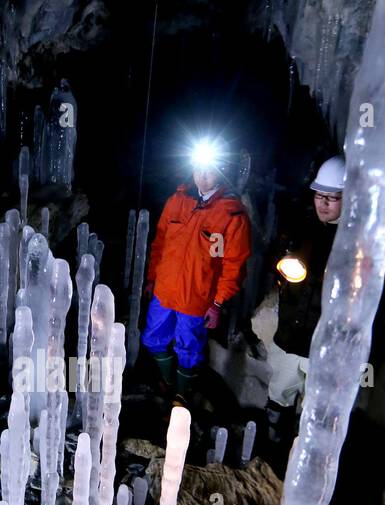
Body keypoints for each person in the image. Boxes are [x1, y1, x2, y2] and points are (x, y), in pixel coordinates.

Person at [141, 142, 252, 406]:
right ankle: (169, 383)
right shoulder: (177, 201)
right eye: (198, 169)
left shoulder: (232, 214)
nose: (202, 176)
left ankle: (181, 396)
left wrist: (217, 303)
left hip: (196, 297)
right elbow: (160, 243)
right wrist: (152, 278)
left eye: (210, 171)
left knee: (188, 349)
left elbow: (233, 264)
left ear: (221, 172)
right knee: (153, 339)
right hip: (164, 290)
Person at [262, 155, 344, 433]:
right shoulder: (303, 226)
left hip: (324, 349)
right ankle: (270, 445)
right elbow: (278, 261)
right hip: (290, 337)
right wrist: (283, 261)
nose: (322, 203)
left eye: (331, 198)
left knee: (316, 411)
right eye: (319, 196)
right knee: (278, 395)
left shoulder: (355, 241)